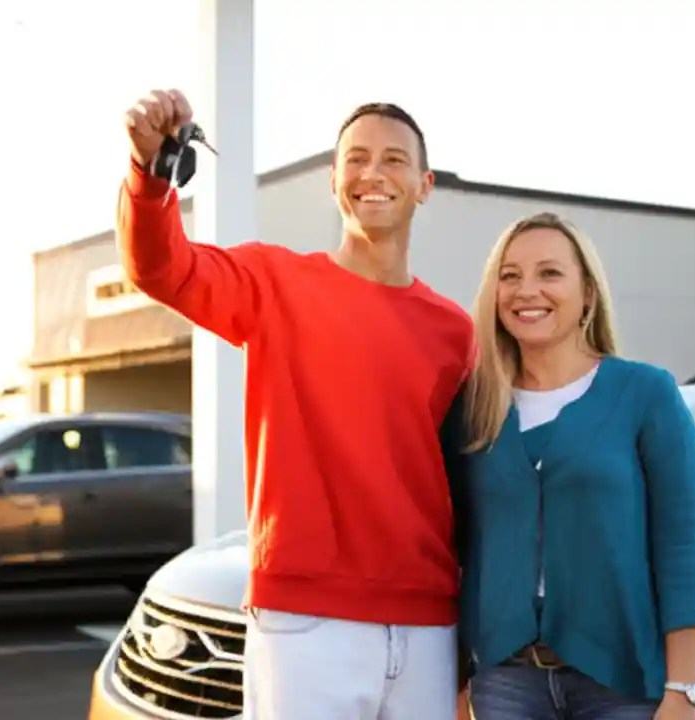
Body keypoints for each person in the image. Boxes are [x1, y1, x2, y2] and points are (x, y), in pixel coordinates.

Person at [118, 89, 475, 719]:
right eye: (357, 158)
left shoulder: (456, 332)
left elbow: (471, 481)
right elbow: (162, 269)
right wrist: (149, 177)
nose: (373, 173)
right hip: (306, 623)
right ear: (333, 180)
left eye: (394, 160)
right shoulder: (275, 282)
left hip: (429, 625)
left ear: (425, 185)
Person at [450, 211, 695, 719]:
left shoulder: (645, 394)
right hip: (505, 685)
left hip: (620, 684)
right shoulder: (474, 409)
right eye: (510, 276)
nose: (527, 290)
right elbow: (458, 555)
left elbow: (682, 546)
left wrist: (684, 690)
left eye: (549, 273)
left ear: (588, 294)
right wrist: (459, 683)